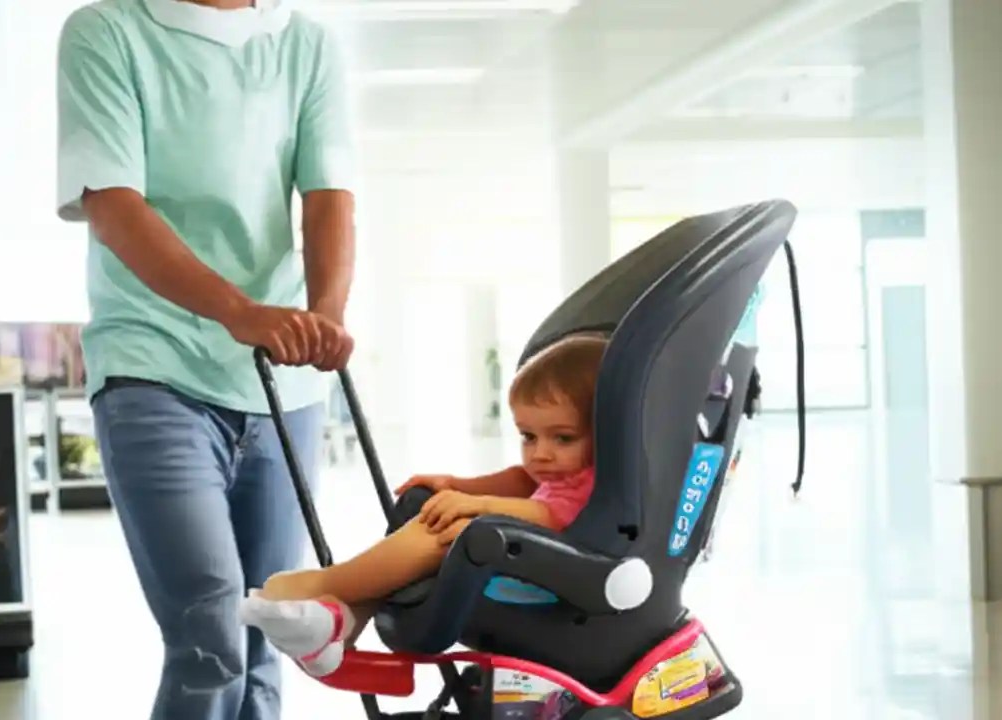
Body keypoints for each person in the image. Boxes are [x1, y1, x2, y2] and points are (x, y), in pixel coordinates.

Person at [55, 1, 357, 718]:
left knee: (268, 639)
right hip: (152, 362)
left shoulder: (305, 44)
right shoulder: (107, 31)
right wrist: (236, 311)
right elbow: (113, 205)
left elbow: (327, 197)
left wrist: (328, 313)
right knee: (210, 631)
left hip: (280, 382)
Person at [239, 335, 607, 676]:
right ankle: (341, 619)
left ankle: (326, 585)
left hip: (552, 585)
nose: (540, 453)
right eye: (528, 436)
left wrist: (476, 506)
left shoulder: (596, 480)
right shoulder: (561, 471)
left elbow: (551, 516)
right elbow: (522, 480)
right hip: (521, 560)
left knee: (447, 528)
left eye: (562, 437)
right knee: (425, 505)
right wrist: (456, 486)